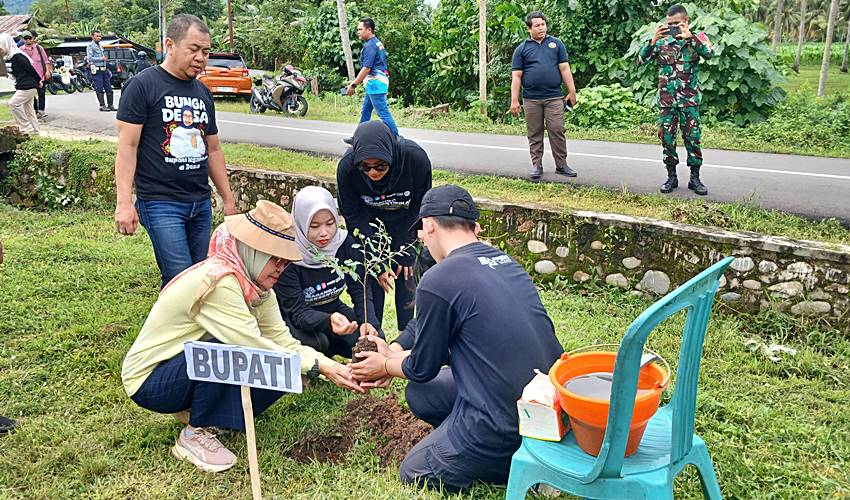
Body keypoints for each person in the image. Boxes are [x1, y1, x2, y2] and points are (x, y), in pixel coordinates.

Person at [122, 200, 364, 473]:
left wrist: (327, 365)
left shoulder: (259, 289)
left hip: (184, 365)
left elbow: (282, 342)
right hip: (151, 380)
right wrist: (319, 365)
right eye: (276, 259)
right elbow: (251, 344)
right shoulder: (220, 282)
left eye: (286, 262)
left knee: (284, 368)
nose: (281, 268)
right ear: (254, 252)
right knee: (232, 349)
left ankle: (215, 418)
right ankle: (194, 434)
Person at [350, 184, 564, 492]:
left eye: (422, 231)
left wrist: (383, 366)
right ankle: (471, 439)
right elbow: (431, 344)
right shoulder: (505, 263)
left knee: (415, 471)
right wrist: (390, 353)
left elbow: (422, 366)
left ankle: (507, 462)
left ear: (430, 225)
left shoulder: (440, 277)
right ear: (472, 226)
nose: (422, 238)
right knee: (421, 394)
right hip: (544, 404)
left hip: (500, 421)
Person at [115, 14, 238, 288]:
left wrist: (227, 200)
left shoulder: (203, 93)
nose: (201, 57)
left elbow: (214, 149)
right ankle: (175, 330)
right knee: (181, 279)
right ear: (170, 45)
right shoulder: (143, 86)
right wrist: (124, 202)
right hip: (160, 202)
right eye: (193, 49)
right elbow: (128, 146)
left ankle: (193, 330)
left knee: (202, 275)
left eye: (206, 51)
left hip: (199, 201)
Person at [336, 121, 432, 332]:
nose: (372, 172)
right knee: (373, 278)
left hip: (406, 221)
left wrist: (408, 247)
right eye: (365, 167)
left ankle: (407, 337)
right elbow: (352, 215)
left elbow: (422, 205)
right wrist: (377, 260)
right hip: (368, 223)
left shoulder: (415, 158)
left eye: (380, 166)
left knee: (407, 274)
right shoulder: (347, 167)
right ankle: (374, 333)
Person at [273, 186, 382, 358]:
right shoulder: (289, 254)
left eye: (330, 224)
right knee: (318, 343)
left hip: (333, 311)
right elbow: (297, 312)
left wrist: (366, 322)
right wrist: (328, 321)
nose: (324, 233)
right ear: (300, 223)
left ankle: (333, 347)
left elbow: (358, 286)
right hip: (297, 321)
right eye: (314, 226)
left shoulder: (343, 243)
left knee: (374, 340)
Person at [637, 4, 714, 196]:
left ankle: (695, 178)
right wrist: (653, 41)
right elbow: (640, 60)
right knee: (667, 140)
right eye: (669, 23)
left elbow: (709, 54)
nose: (672, 27)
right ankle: (671, 176)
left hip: (689, 101)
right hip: (667, 102)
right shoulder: (662, 42)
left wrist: (691, 38)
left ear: (686, 21)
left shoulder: (698, 38)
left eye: (676, 23)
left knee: (693, 139)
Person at [510, 12, 578, 180]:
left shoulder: (556, 44)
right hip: (531, 99)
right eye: (537, 25)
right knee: (535, 132)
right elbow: (516, 76)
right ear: (528, 28)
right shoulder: (522, 49)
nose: (541, 28)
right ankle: (536, 165)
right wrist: (514, 100)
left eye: (543, 24)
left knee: (557, 129)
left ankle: (561, 164)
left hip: (554, 97)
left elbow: (565, 69)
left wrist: (572, 91)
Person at [345, 17, 398, 140]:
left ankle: (396, 139)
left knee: (383, 112)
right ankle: (357, 138)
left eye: (360, 29)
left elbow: (366, 68)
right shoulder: (376, 43)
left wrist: (353, 85)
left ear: (369, 30)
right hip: (376, 82)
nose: (358, 32)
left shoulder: (370, 46)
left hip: (376, 83)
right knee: (366, 112)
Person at [1, 33, 40, 135]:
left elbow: (30, 68)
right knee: (29, 109)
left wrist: (38, 80)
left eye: (0, 48)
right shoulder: (9, 57)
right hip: (23, 85)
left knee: (13, 103)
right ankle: (35, 131)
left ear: (6, 45)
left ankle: (26, 127)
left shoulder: (17, 56)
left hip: (28, 85)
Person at [19, 31, 51, 119]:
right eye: (26, 38)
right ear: (23, 39)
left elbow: (46, 61)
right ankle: (35, 110)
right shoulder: (21, 50)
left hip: (40, 75)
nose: (28, 40)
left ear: (33, 38)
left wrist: (47, 72)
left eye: (29, 38)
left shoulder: (39, 48)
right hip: (29, 77)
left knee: (41, 93)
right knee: (30, 94)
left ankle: (41, 110)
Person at [86, 30, 116, 112]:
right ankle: (102, 106)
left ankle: (110, 105)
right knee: (99, 88)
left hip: (104, 70)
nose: (99, 38)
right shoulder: (90, 46)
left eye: (100, 36)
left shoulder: (101, 46)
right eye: (97, 36)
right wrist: (101, 58)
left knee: (109, 87)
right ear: (93, 37)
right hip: (96, 70)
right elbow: (90, 58)